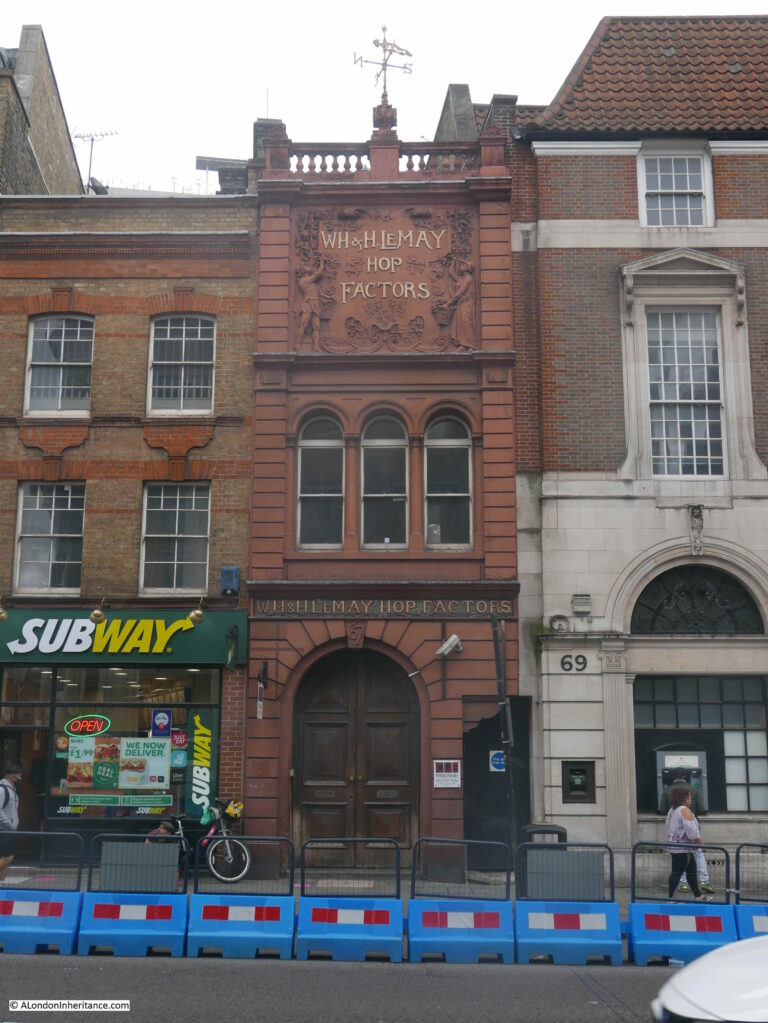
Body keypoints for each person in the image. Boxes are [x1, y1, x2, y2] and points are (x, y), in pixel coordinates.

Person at [660, 773, 714, 894]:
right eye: (689, 797)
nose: (690, 800)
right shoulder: (684, 810)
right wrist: (701, 844)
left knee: (690, 871)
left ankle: (697, 895)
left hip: (675, 846)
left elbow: (667, 826)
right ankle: (670, 897)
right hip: (684, 848)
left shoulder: (672, 810)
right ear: (684, 798)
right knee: (677, 873)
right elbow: (692, 832)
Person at [0, 763, 22, 882]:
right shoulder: (2, 790)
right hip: (4, 829)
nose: (21, 778)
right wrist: (10, 824)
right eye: (19, 775)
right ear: (12, 777)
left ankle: (1, 886)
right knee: (8, 857)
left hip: (8, 829)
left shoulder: (11, 790)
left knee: (5, 859)